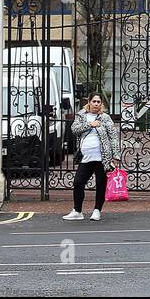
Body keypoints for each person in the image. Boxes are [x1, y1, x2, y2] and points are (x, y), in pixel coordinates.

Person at [63, 93, 121, 222]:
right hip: (86, 157)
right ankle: (77, 211)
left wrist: (116, 156)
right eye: (94, 101)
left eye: (98, 102)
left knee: (100, 184)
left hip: (102, 157)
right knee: (78, 182)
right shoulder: (81, 115)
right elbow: (74, 129)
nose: (96, 104)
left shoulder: (105, 118)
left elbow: (113, 137)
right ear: (89, 102)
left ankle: (97, 210)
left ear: (101, 104)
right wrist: (90, 125)